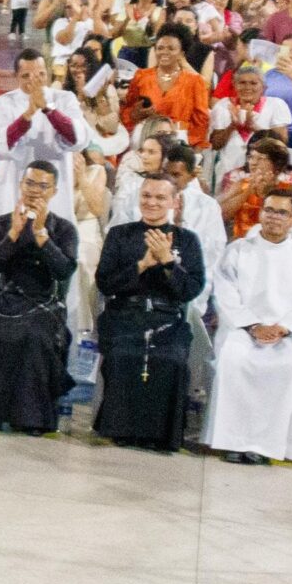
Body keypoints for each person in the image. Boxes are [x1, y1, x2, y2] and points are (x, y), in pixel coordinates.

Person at [206, 190, 292, 466]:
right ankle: (233, 441)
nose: (273, 217)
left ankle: (267, 445)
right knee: (235, 358)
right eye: (269, 210)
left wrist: (283, 328)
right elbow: (225, 294)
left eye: (282, 212)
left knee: (290, 364)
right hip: (243, 328)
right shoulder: (237, 250)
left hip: (286, 333)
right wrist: (253, 325)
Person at [93, 172, 206, 452]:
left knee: (171, 360)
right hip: (124, 315)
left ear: (173, 202)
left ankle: (160, 433)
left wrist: (168, 262)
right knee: (124, 355)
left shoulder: (188, 240)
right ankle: (120, 428)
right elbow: (105, 283)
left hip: (167, 319)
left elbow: (191, 289)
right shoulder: (120, 234)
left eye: (160, 197)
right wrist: (141, 265)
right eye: (146, 196)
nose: (152, 203)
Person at [0, 160, 76, 434]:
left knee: (35, 338)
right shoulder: (2, 223)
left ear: (53, 191)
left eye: (42, 186)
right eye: (29, 184)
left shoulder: (63, 229)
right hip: (6, 296)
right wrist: (14, 234)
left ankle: (32, 417)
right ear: (20, 185)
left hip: (42, 301)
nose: (35, 191)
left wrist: (41, 236)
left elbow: (64, 271)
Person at [0, 49, 86, 221]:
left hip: (53, 191)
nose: (34, 81)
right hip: (12, 185)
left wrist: (48, 109)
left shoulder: (65, 99)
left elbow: (77, 137)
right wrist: (27, 116)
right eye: (26, 76)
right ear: (16, 76)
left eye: (40, 74)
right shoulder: (4, 103)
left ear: (48, 74)